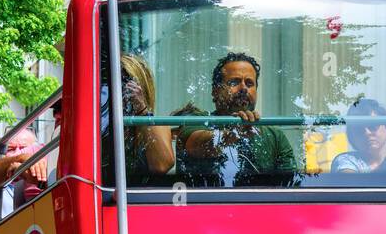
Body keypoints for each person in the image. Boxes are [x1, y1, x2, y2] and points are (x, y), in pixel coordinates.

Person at [178, 52, 299, 186]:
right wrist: (233, 133)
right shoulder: (197, 120)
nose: (243, 88)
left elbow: (291, 185)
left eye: (249, 83)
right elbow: (193, 146)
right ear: (215, 91)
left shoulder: (275, 136)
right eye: (234, 82)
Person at [120, 53, 175, 184]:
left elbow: (162, 165)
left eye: (125, 84)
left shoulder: (156, 126)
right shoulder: (104, 124)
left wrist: (141, 108)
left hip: (140, 198)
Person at [330, 98, 386, 174]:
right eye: (358, 129)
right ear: (352, 136)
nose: (367, 133)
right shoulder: (346, 160)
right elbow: (349, 182)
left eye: (373, 126)